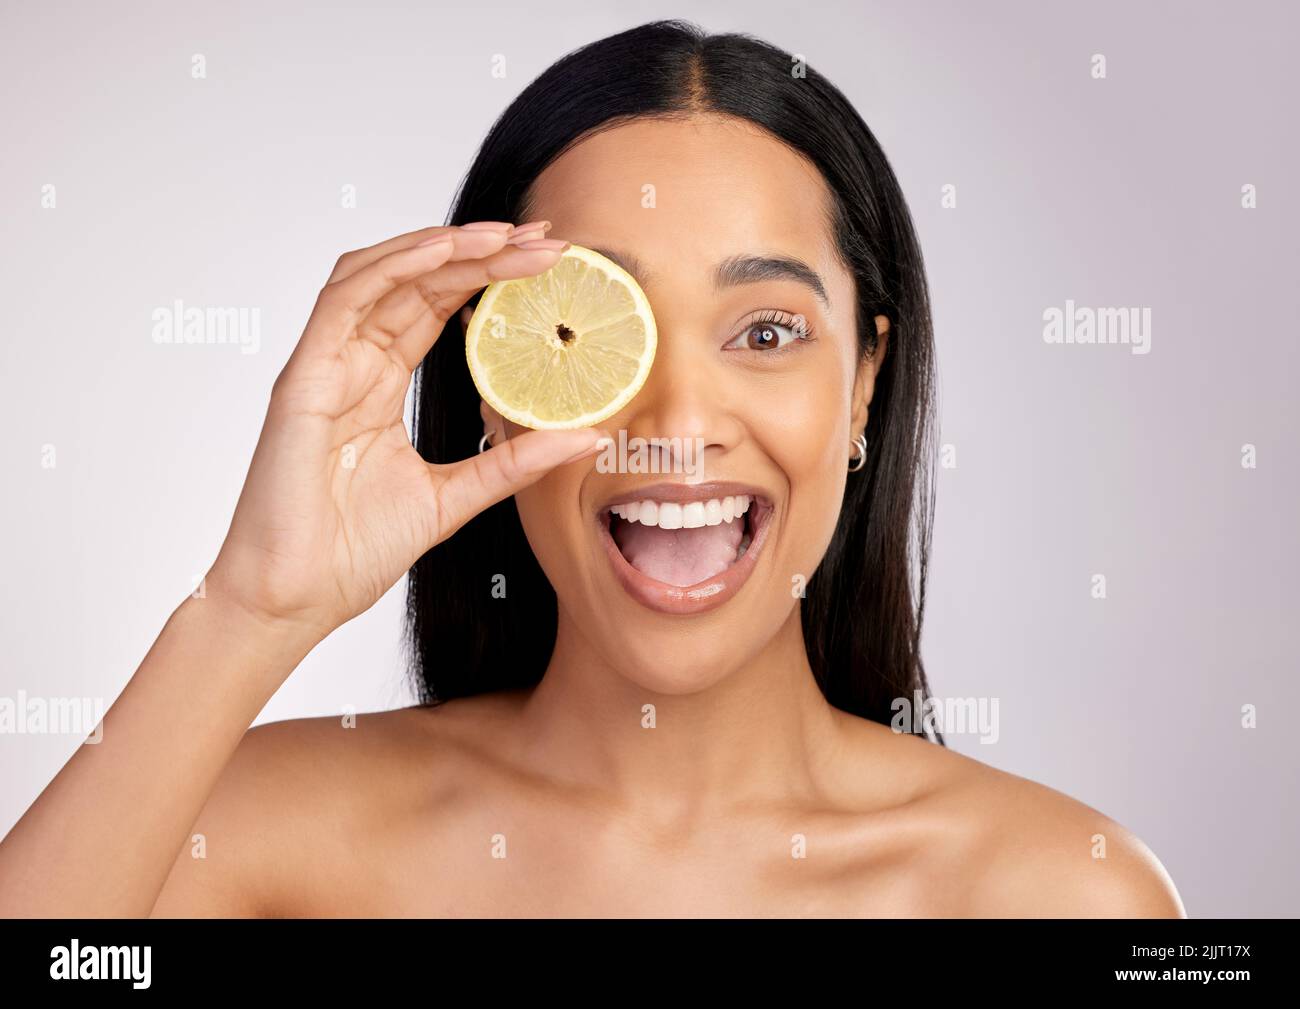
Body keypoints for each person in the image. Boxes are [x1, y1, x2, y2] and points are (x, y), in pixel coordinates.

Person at [0, 19, 1184, 917]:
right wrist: (250, 609)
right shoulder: (243, 830)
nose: (676, 416)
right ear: (495, 381)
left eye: (764, 332)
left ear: (866, 377)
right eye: (592, 332)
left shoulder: (1057, 890)